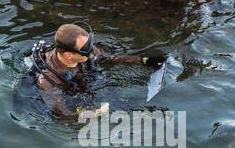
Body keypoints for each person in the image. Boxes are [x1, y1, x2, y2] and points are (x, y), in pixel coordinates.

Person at [22, 23, 163, 119]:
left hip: (83, 83)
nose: (92, 51)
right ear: (68, 55)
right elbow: (62, 114)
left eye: (90, 43)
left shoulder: (85, 52)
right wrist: (95, 113)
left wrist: (143, 60)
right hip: (65, 95)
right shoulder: (47, 80)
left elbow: (110, 59)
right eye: (86, 49)